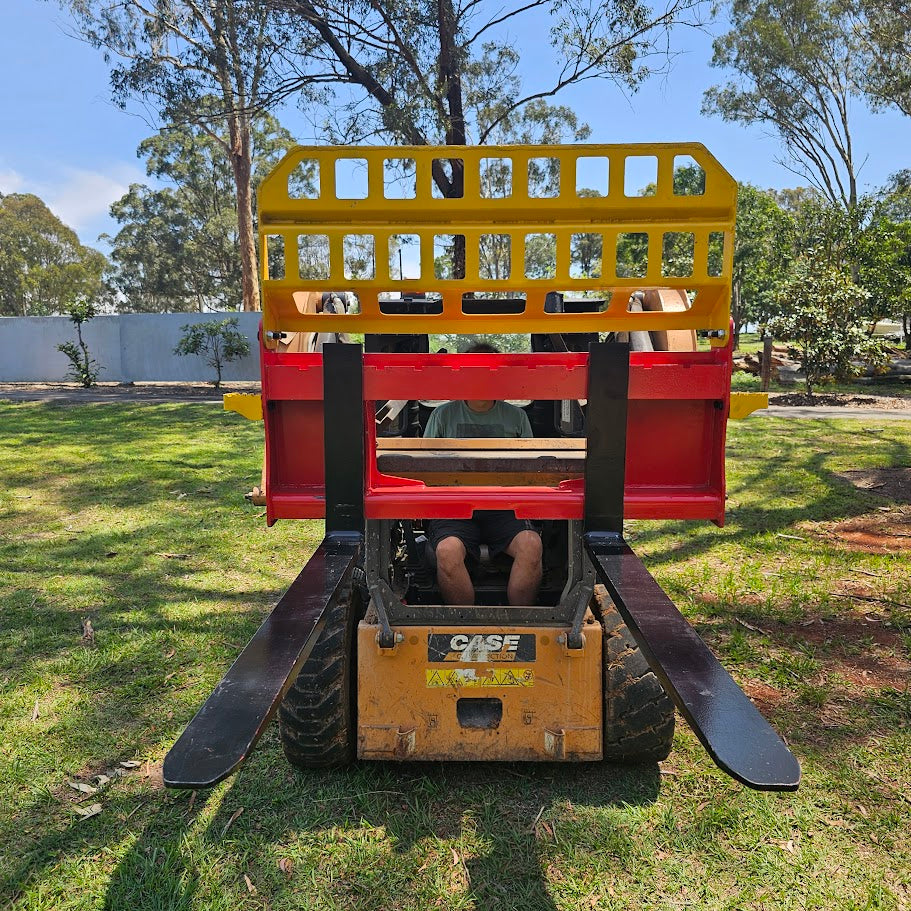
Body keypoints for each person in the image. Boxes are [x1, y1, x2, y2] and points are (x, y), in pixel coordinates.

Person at [423, 342, 543, 606]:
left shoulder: (517, 418)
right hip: (455, 508)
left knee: (531, 545)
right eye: (474, 372)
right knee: (447, 551)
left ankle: (520, 626)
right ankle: (465, 627)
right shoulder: (442, 417)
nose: (481, 379)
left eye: (489, 373)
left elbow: (530, 468)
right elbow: (425, 468)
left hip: (505, 508)